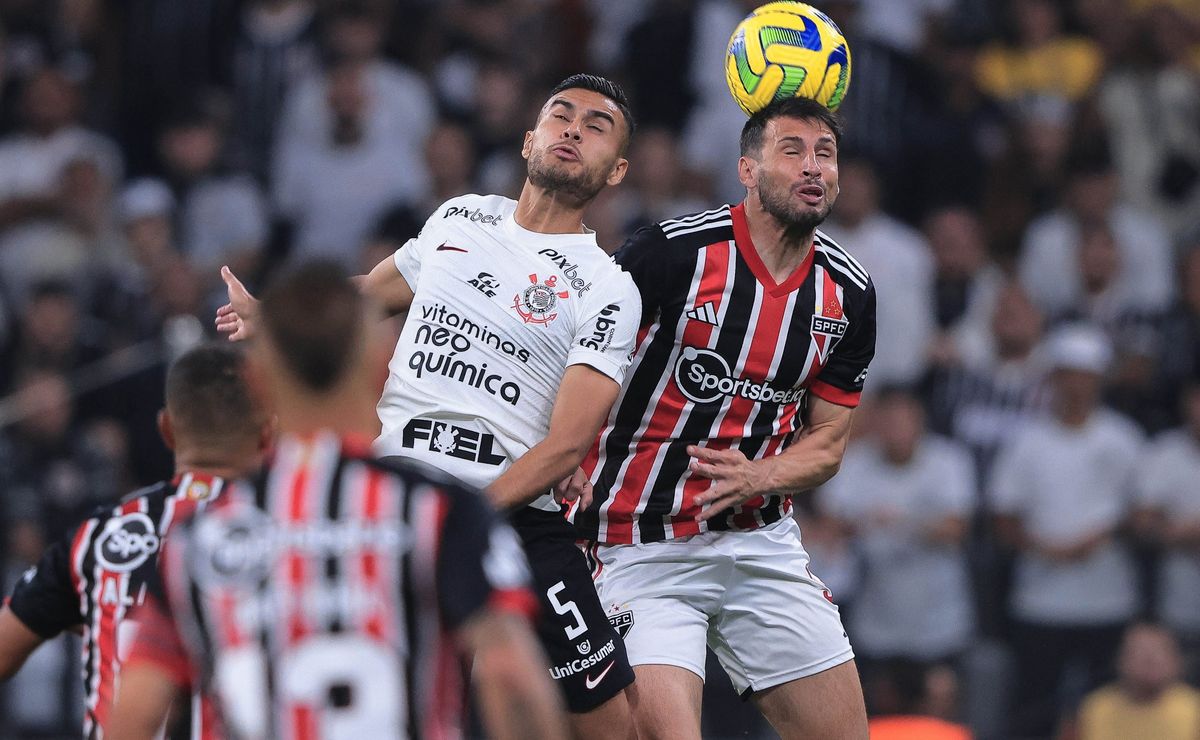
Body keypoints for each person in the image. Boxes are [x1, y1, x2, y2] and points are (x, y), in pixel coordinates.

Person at [215, 74, 643, 738]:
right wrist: (271, 317)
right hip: (395, 494)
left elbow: (566, 446)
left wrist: (467, 516)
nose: (573, 129)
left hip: (513, 513)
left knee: (612, 725)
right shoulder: (460, 217)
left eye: (596, 126)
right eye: (561, 115)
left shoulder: (608, 287)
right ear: (531, 137)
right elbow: (367, 297)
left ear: (615, 171)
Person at [111, 264, 566, 740]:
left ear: (257, 382)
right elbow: (511, 677)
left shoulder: (202, 535)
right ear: (380, 365)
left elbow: (136, 716)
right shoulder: (441, 513)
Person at [573, 96, 874, 739]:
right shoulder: (670, 254)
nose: (812, 167)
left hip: (760, 546)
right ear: (747, 169)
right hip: (640, 544)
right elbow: (576, 360)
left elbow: (827, 443)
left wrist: (758, 477)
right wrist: (563, 456)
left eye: (825, 153)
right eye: (791, 151)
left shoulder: (848, 293)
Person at [0, 343, 271, 738]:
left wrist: (103, 610)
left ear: (165, 430)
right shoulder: (290, 535)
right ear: (268, 433)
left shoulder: (99, 536)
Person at [990, 323, 1143, 738]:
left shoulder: (1124, 439)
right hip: (1039, 600)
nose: (1077, 385)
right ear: (1054, 380)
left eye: (1086, 376)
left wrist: (1103, 535)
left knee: (1108, 709)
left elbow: (1142, 513)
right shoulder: (1026, 440)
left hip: (1107, 599)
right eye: (1068, 375)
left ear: (1099, 381)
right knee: (1034, 708)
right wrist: (1043, 547)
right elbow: (1004, 516)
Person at [1077, 622, 1200, 740]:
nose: (1150, 660)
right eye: (1140, 652)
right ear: (1120, 660)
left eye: (1159, 652)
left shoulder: (1195, 710)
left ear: (1177, 660)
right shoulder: (1095, 708)